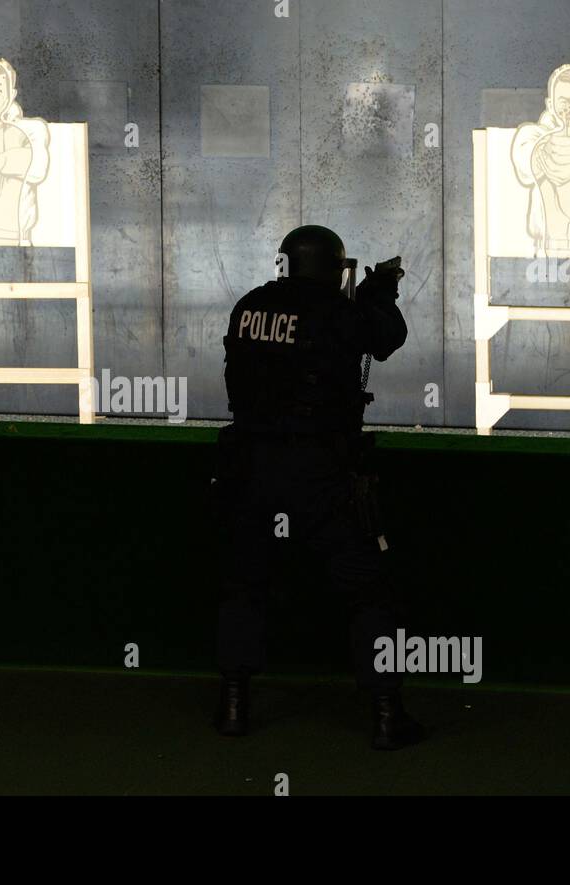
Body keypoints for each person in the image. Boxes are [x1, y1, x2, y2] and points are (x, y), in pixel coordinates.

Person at [212, 224, 424, 750]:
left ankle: (235, 705)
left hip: (251, 472)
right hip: (321, 475)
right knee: (369, 591)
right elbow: (387, 338)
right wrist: (380, 292)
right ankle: (385, 713)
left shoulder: (248, 306)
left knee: (244, 587)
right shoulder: (340, 312)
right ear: (332, 268)